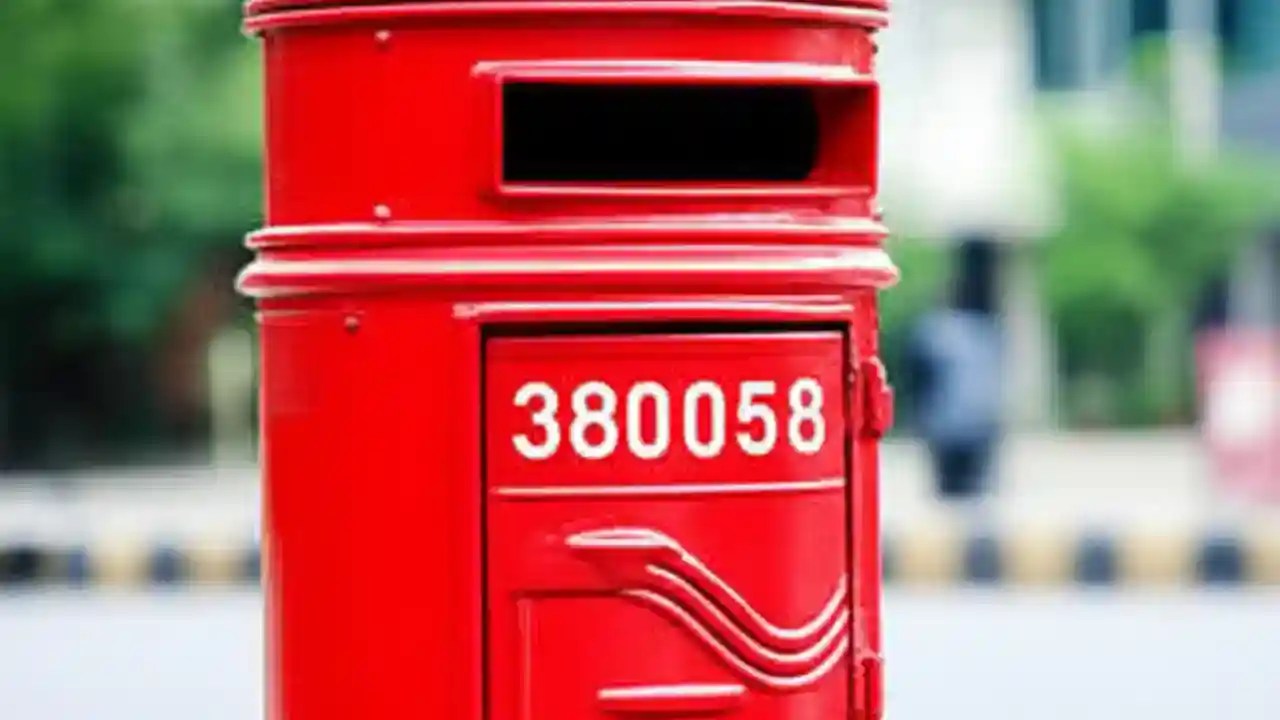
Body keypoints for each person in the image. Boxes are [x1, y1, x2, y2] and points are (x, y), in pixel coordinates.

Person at [907, 237, 1003, 500]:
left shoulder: (935, 331)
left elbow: (920, 377)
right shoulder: (987, 331)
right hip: (975, 423)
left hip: (946, 422)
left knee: (948, 496)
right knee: (974, 498)